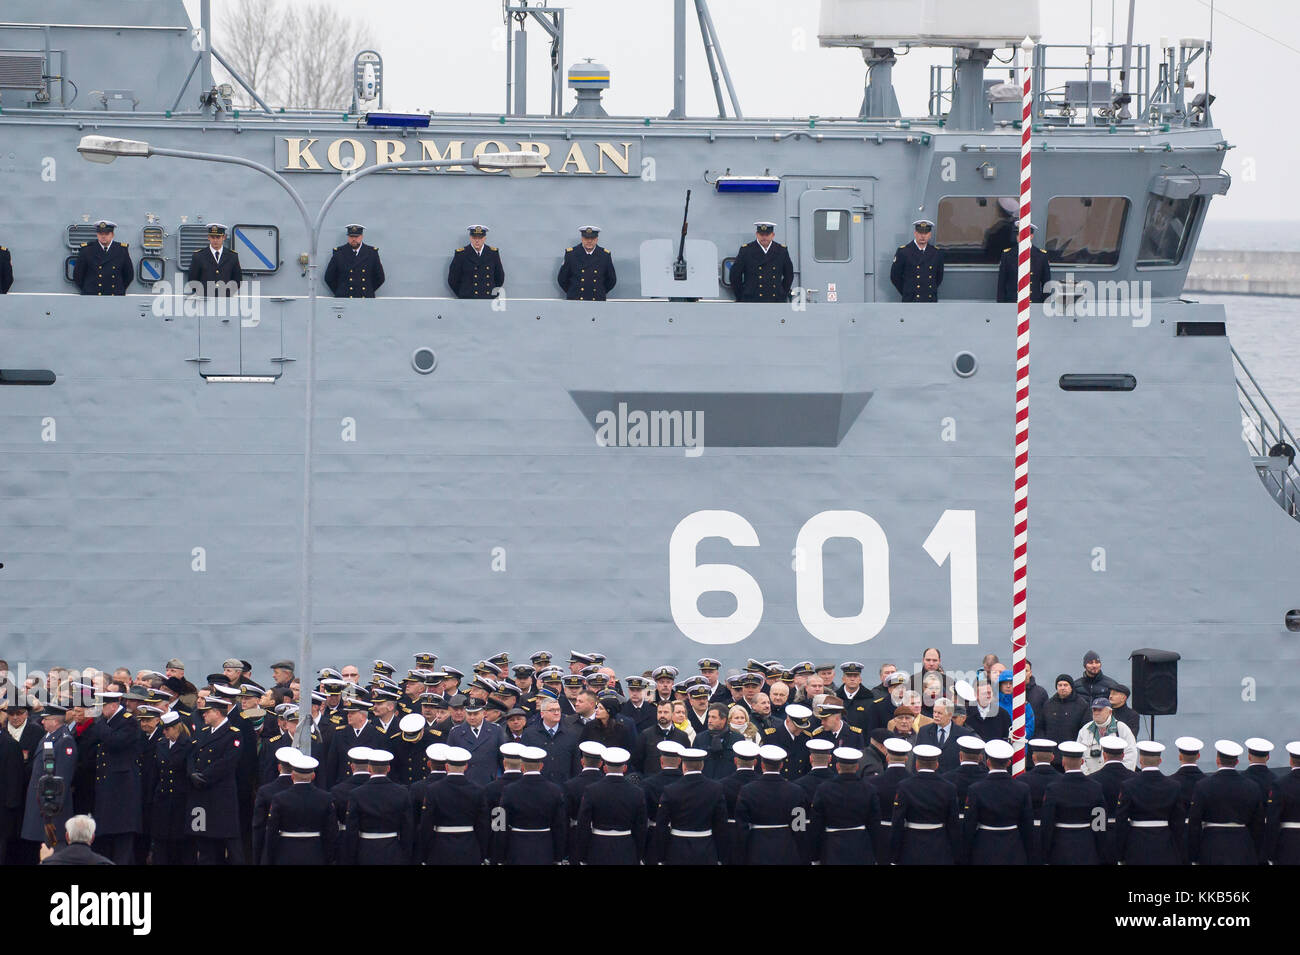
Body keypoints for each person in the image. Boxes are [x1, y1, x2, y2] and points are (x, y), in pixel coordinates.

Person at [186, 694, 244, 864]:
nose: (203, 715)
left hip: (220, 795)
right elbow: (191, 754)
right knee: (205, 843)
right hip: (201, 796)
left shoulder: (233, 734)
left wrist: (204, 776)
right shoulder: (203, 732)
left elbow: (227, 762)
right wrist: (192, 773)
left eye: (206, 711)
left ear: (217, 712)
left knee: (229, 842)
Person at [1188, 740, 1265, 865]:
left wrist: (1194, 855)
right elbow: (1258, 825)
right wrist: (1255, 852)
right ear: (1237, 762)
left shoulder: (1203, 786)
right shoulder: (1252, 787)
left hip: (1211, 845)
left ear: (1217, 760)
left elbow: (1195, 824)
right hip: (1243, 845)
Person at [650, 747, 728, 865]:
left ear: (684, 766)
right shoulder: (715, 789)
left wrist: (660, 856)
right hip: (706, 847)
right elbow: (720, 825)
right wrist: (721, 856)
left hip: (677, 848)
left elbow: (662, 826)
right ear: (702, 766)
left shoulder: (670, 790)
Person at [962, 739, 1034, 865]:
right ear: (1008, 763)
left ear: (988, 762)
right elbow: (1027, 825)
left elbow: (970, 825)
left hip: (984, 845)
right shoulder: (1022, 788)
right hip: (1013, 844)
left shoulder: (976, 789)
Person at [572, 746, 647, 865]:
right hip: (626, 847)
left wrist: (582, 854)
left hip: (597, 848)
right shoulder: (637, 793)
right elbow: (641, 828)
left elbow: (583, 825)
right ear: (625, 768)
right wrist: (638, 854)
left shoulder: (592, 790)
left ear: (605, 768)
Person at [1115, 740, 1186, 866]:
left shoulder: (1128, 786)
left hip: (1136, 844)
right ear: (1160, 761)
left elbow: (1121, 821)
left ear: (1140, 761)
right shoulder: (1174, 786)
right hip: (1165, 843)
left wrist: (1120, 852)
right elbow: (1178, 823)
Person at [19, 703, 77, 854]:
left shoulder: (64, 741)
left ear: (55, 721)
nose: (42, 722)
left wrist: (52, 807)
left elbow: (62, 778)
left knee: (54, 845)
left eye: (46, 719)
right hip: (41, 801)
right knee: (44, 846)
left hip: (51, 806)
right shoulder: (48, 737)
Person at [262, 751, 338, 865]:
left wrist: (270, 857)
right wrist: (329, 857)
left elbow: (271, 833)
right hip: (316, 853)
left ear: (292, 776)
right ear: (313, 776)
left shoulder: (279, 799)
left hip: (286, 853)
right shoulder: (325, 798)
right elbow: (331, 832)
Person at [735, 744, 807, 865]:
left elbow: (741, 827)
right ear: (781, 765)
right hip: (787, 848)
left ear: (762, 765)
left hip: (757, 848)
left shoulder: (747, 790)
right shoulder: (796, 791)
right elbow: (799, 827)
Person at [495, 746, 566, 864]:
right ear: (541, 766)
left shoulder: (509, 790)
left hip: (517, 848)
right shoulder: (555, 790)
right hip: (545, 848)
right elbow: (560, 826)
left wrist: (499, 856)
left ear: (522, 767)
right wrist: (558, 857)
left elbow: (500, 825)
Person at [889, 743, 959, 865]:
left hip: (911, 845)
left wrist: (894, 855)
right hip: (939, 844)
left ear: (916, 765)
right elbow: (953, 824)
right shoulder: (949, 787)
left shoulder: (905, 786)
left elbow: (898, 822)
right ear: (937, 765)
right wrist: (955, 854)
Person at [1040, 741, 1108, 865]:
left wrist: (1045, 852)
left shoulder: (1053, 788)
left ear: (1063, 762)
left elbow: (1047, 822)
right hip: (1087, 845)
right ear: (1082, 762)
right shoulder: (1095, 787)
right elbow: (1100, 823)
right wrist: (1101, 849)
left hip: (1060, 846)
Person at [417, 745, 486, 865]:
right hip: (470, 845)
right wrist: (482, 851)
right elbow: (483, 824)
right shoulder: (478, 790)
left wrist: (424, 852)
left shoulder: (433, 790)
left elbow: (426, 824)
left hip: (440, 847)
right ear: (466, 767)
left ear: (447, 766)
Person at [343, 749, 413, 865]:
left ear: (369, 769)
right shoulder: (402, 792)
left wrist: (352, 856)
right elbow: (407, 828)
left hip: (365, 850)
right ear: (388, 769)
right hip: (393, 849)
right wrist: (405, 855)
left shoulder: (356, 794)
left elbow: (352, 830)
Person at [150, 711, 194, 864]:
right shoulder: (161, 744)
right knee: (161, 842)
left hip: (180, 801)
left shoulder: (188, 745)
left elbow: (189, 773)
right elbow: (156, 773)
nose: (164, 732)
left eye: (167, 729)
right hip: (162, 799)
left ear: (176, 728)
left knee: (179, 843)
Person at [730, 221, 793, 302]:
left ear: (773, 235)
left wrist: (782, 294)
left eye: (767, 234)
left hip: (775, 299)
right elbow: (735, 275)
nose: (764, 237)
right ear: (757, 234)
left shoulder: (781, 251)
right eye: (761, 234)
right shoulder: (746, 250)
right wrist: (742, 296)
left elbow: (789, 275)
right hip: (751, 299)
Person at [446, 697, 503, 786]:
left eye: (475, 714)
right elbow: (450, 761)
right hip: (464, 784)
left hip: (489, 783)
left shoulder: (496, 730)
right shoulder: (455, 732)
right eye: (469, 714)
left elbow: (501, 758)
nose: (472, 717)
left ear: (484, 713)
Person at [522, 696, 579, 784]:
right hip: (538, 786)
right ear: (542, 714)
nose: (556, 713)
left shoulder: (571, 733)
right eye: (552, 710)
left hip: (564, 787)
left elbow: (575, 765)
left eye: (558, 710)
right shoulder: (529, 733)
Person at [323, 224, 385, 298]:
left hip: (365, 299)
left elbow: (380, 278)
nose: (354, 239)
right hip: (345, 298)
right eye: (351, 236)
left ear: (361, 237)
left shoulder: (371, 253)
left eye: (356, 237)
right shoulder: (339, 253)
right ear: (348, 237)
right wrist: (341, 291)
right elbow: (329, 277)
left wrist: (368, 290)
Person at [72, 220, 132, 295]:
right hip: (92, 295)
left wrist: (118, 289)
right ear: (97, 234)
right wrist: (89, 289)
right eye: (100, 233)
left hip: (114, 296)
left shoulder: (121, 250)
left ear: (112, 235)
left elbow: (129, 275)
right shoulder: (87, 250)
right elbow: (78, 275)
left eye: (107, 233)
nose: (103, 236)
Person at [889, 218, 943, 302]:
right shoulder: (904, 252)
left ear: (930, 235)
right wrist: (907, 292)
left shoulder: (936, 253)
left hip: (930, 300)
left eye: (926, 233)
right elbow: (895, 277)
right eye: (920, 232)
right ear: (915, 233)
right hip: (911, 300)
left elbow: (939, 277)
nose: (923, 236)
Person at [996, 222, 1051, 303]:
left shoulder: (1041, 256)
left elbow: (1046, 283)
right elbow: (1002, 282)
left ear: (1031, 236)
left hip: (1033, 303)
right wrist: (1001, 304)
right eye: (1019, 234)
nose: (1020, 237)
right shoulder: (1007, 255)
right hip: (1012, 303)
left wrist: (1046, 303)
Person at [1077, 699, 1136, 773]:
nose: (1096, 713)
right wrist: (1087, 777)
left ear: (1110, 712)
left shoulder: (1121, 728)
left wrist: (1122, 776)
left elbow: (1131, 755)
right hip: (1090, 779)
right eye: (1094, 710)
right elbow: (1078, 756)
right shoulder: (1085, 729)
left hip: (1116, 779)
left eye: (1100, 710)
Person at [632, 700, 690, 776]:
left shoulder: (682, 736)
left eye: (666, 712)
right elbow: (637, 761)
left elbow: (686, 761)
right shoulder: (646, 735)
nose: (662, 715)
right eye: (659, 712)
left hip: (676, 782)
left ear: (672, 714)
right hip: (651, 782)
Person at [557, 226, 616, 301]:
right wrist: (573, 291)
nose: (589, 241)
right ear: (582, 238)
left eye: (592, 239)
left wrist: (600, 291)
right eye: (586, 238)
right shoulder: (571, 254)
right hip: (576, 299)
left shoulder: (604, 255)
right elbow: (562, 279)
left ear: (597, 239)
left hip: (597, 300)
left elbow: (611, 279)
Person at [1265, 741, 1300, 865]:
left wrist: (1270, 853)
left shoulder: (1280, 784)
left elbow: (1273, 821)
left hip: (1288, 844)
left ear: (1290, 760)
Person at [447, 224, 504, 298]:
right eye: (474, 237)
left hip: (488, 299)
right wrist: (463, 293)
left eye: (480, 238)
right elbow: (453, 279)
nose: (477, 241)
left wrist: (492, 294)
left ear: (484, 238)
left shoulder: (493, 253)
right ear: (470, 238)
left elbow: (499, 277)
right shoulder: (461, 254)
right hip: (468, 299)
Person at [186, 223, 242, 297]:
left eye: (218, 237)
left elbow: (237, 280)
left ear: (224, 237)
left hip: (225, 299)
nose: (215, 240)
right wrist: (202, 293)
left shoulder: (232, 256)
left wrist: (227, 293)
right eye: (212, 237)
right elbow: (192, 280)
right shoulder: (199, 256)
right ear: (208, 237)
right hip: (204, 299)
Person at [39, 815, 113, 865]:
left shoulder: (50, 862)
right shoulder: (105, 863)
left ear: (67, 837)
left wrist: (44, 861)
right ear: (92, 838)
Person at [1039, 674, 1089, 747]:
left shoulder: (1082, 705)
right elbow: (1041, 726)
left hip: (1072, 748)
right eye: (1060, 685)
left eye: (1065, 685)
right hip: (1051, 748)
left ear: (1071, 687)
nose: (1062, 688)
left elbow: (1085, 729)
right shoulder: (1048, 704)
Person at [915, 698, 961, 773]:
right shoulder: (924, 731)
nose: (935, 715)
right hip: (928, 779)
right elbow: (917, 757)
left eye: (939, 713)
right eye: (934, 712)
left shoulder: (962, 734)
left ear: (949, 715)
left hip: (952, 781)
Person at [995, 669, 1035, 740]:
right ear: (1000, 685)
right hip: (998, 745)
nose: (1008, 686)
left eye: (1011, 683)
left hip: (1019, 744)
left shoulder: (1024, 705)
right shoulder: (993, 705)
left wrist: (1018, 736)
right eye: (1005, 683)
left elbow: (1030, 727)